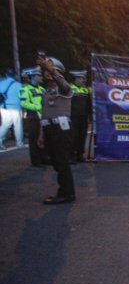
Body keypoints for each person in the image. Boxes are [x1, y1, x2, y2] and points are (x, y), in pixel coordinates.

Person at [36, 54, 75, 204]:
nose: (47, 73)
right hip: (49, 129)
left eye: (51, 71)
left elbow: (62, 82)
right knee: (57, 163)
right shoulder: (46, 92)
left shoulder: (64, 90)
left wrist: (49, 68)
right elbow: (44, 115)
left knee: (62, 161)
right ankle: (65, 191)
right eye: (45, 71)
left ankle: (66, 194)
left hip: (62, 129)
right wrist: (41, 135)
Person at [19, 68, 48, 166]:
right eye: (39, 76)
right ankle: (36, 161)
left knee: (44, 138)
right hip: (33, 117)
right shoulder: (25, 89)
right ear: (33, 77)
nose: (41, 77)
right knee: (34, 139)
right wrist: (37, 107)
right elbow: (23, 103)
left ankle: (44, 158)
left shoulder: (42, 89)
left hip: (44, 117)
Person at [69, 70, 92, 163]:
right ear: (77, 78)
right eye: (82, 78)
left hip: (83, 117)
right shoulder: (70, 88)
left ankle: (80, 154)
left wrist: (89, 115)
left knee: (82, 136)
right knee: (73, 137)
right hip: (73, 117)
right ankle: (71, 155)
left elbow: (88, 104)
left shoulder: (85, 90)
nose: (84, 80)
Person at [0, 69, 24, 150]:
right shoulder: (19, 85)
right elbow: (22, 97)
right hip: (16, 108)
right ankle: (19, 143)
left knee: (5, 125)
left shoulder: (1, 83)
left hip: (4, 107)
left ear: (7, 75)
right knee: (18, 126)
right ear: (15, 75)